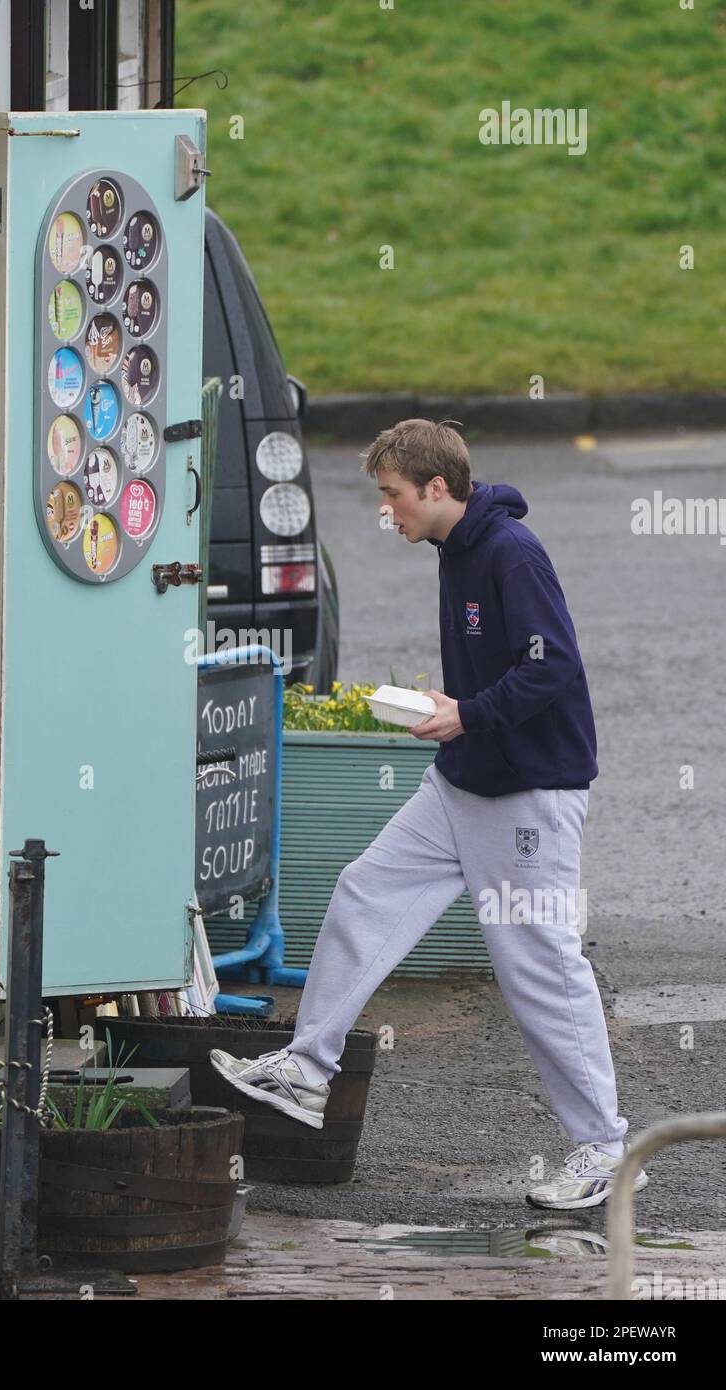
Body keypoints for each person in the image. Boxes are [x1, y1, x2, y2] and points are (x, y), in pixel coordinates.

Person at [209, 418, 647, 1211]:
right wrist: (459, 717)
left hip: (529, 792)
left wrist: (467, 713)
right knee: (364, 889)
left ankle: (607, 1149)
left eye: (393, 496)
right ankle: (308, 1069)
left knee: (540, 969)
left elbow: (555, 666)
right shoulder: (457, 549)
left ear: (437, 488)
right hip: (464, 781)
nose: (388, 512)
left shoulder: (512, 553)